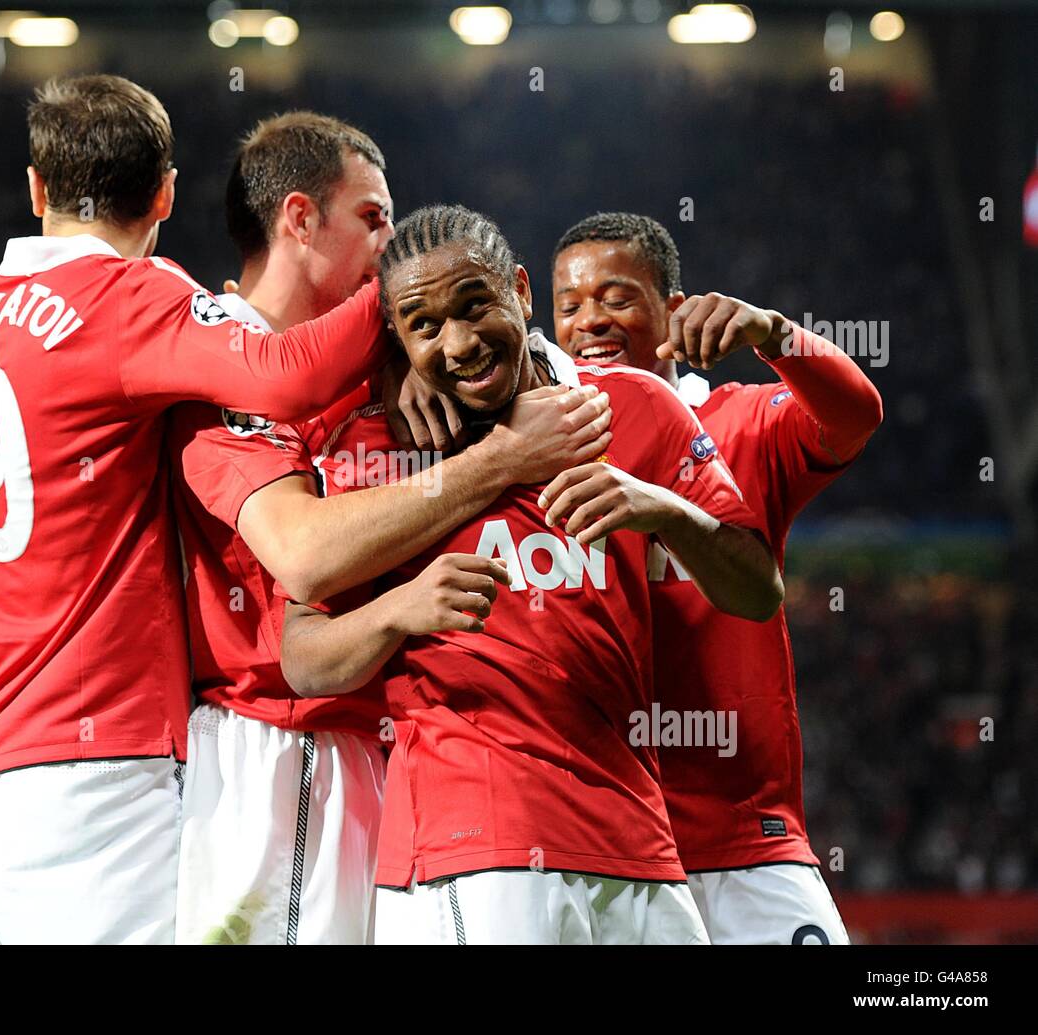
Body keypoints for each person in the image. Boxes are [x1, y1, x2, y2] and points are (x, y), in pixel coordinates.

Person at [0, 75, 395, 945]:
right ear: (166, 194)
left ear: (35, 188)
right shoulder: (129, 297)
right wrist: (413, 281)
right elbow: (284, 373)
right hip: (89, 780)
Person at [280, 205, 783, 945]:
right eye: (423, 326)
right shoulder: (377, 444)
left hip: (639, 841)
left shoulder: (634, 407)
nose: (459, 342)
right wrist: (396, 610)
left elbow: (757, 590)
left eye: (475, 305)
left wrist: (665, 511)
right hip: (475, 849)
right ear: (397, 340)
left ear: (520, 291)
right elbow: (302, 655)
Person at [170, 115, 613, 944]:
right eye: (375, 218)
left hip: (403, 760)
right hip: (287, 756)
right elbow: (306, 557)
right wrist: (498, 459)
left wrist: (406, 359)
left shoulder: (384, 361)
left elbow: (531, 359)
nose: (393, 243)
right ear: (300, 219)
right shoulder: (223, 374)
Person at [551, 212, 883, 943]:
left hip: (745, 844)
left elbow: (856, 415)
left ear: (674, 308)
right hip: (600, 844)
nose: (589, 322)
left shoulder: (738, 421)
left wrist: (775, 335)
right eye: (568, 305)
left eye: (615, 297)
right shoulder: (539, 447)